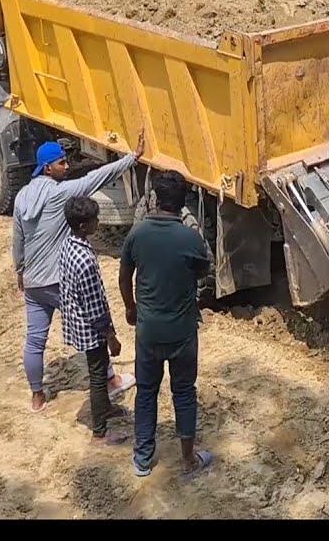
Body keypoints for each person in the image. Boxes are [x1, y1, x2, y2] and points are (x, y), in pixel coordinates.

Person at [13, 130, 144, 412]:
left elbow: (18, 238)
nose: (67, 166)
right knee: (93, 332)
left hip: (34, 282)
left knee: (35, 340)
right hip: (59, 281)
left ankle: (37, 396)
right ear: (47, 167)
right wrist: (132, 158)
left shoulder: (22, 197)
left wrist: (20, 269)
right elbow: (97, 178)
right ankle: (109, 380)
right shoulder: (61, 194)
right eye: (61, 163)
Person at [120, 170, 214, 478]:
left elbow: (124, 276)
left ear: (156, 200)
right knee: (184, 392)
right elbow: (203, 272)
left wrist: (131, 308)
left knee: (146, 392)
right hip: (183, 332)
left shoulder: (138, 234)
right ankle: (188, 460)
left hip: (148, 331)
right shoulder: (190, 238)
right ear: (182, 202)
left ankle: (143, 459)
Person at [59, 196, 130, 445]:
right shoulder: (85, 261)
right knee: (98, 374)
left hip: (77, 321)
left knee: (99, 369)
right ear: (82, 226)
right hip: (90, 328)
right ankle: (99, 432)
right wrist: (111, 336)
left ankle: (106, 408)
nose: (97, 223)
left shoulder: (69, 245)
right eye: (94, 220)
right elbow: (94, 306)